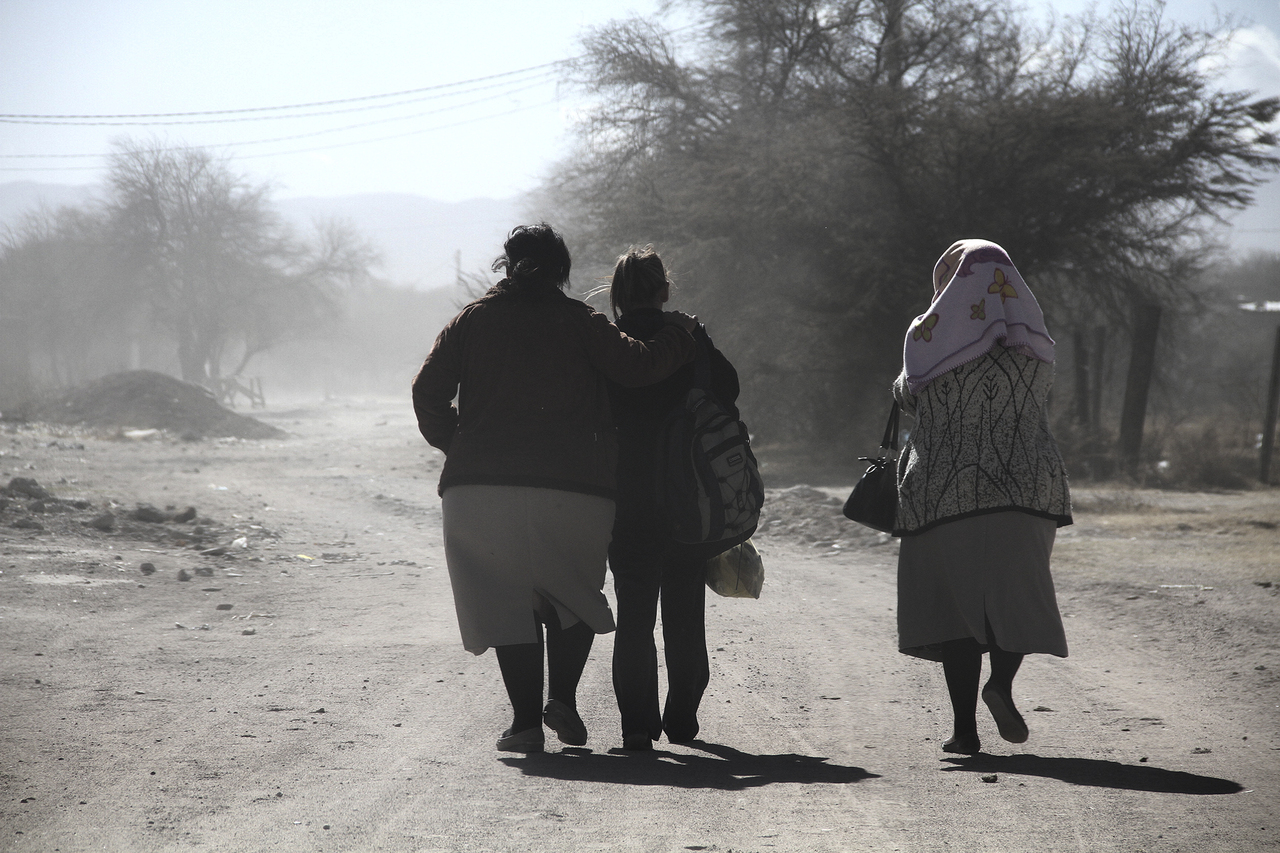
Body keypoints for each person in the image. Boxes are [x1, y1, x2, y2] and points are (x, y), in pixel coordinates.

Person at [412, 224, 698, 753]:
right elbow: (639, 368)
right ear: (563, 270)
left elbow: (427, 394)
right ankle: (561, 697)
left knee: (505, 600)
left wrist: (462, 446)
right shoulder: (580, 322)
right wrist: (680, 333)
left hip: (480, 491)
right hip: (576, 486)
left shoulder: (470, 323)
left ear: (505, 264)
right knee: (573, 593)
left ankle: (524, 725)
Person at [892, 238, 1072, 755]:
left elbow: (907, 396)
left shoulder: (927, 337)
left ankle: (964, 731)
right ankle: (1002, 684)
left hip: (945, 491)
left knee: (954, 613)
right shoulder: (1035, 342)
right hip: (1026, 486)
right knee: (1016, 600)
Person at [604, 246, 741, 751]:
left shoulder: (609, 340)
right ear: (664, 290)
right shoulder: (686, 336)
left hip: (628, 497)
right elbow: (729, 387)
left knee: (634, 615)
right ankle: (682, 713)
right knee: (685, 610)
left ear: (617, 295)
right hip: (689, 493)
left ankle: (637, 726)